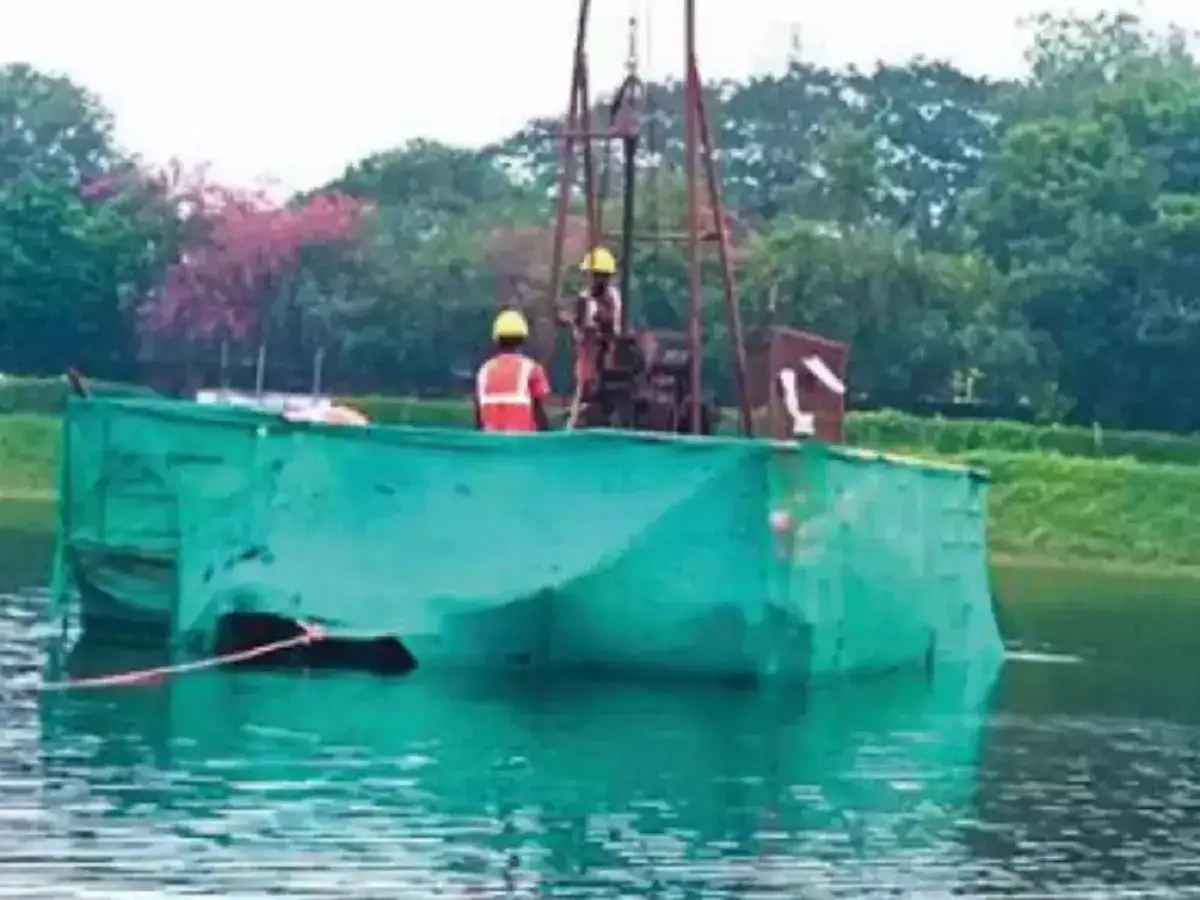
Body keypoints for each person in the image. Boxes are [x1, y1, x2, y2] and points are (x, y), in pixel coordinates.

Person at [474, 308, 551, 433]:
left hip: (490, 445)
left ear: (497, 339)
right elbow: (539, 413)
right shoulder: (532, 369)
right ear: (523, 339)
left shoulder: (484, 371)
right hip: (522, 446)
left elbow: (478, 417)